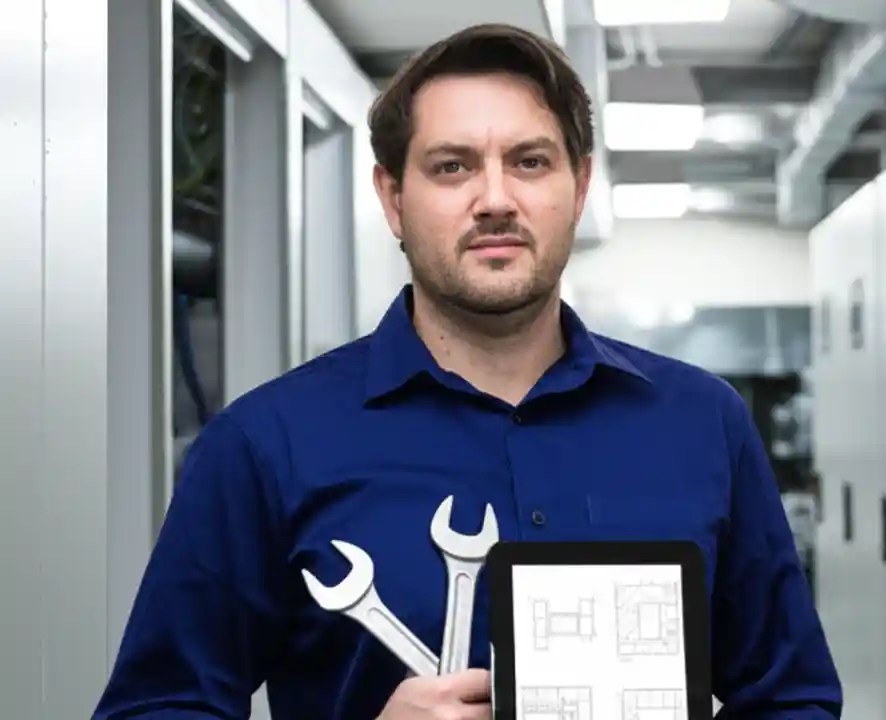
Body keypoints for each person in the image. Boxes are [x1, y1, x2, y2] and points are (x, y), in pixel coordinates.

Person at [94, 22, 842, 720]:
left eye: (530, 162)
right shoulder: (263, 446)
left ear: (579, 188)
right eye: (452, 167)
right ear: (393, 198)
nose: (495, 200)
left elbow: (792, 699)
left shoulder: (702, 423)